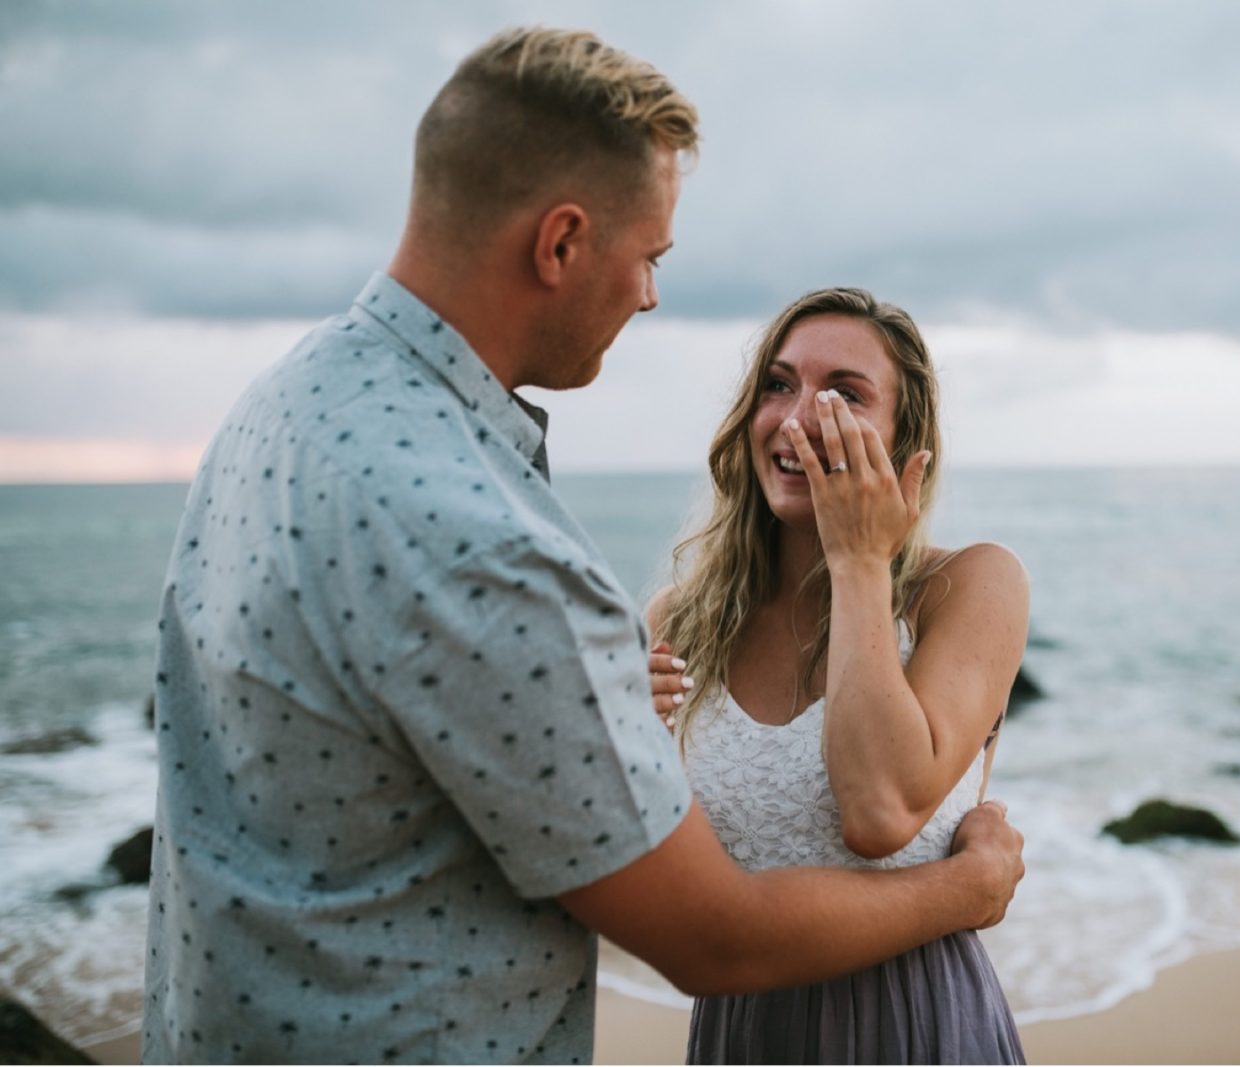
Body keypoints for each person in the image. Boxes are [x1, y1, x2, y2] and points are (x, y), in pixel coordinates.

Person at [142, 26, 1024, 1065]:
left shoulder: (286, 406)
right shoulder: (487, 540)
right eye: (648, 255)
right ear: (560, 243)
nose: (649, 293)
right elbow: (708, 929)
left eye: (844, 393)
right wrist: (967, 886)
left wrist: (599, 729)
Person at [646, 287, 1031, 1062]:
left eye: (845, 394)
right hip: (742, 1028)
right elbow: (668, 887)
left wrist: (860, 560)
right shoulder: (676, 623)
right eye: (778, 385)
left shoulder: (970, 586)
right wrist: (627, 746)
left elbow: (879, 809)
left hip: (914, 1025)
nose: (797, 417)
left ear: (903, 443)